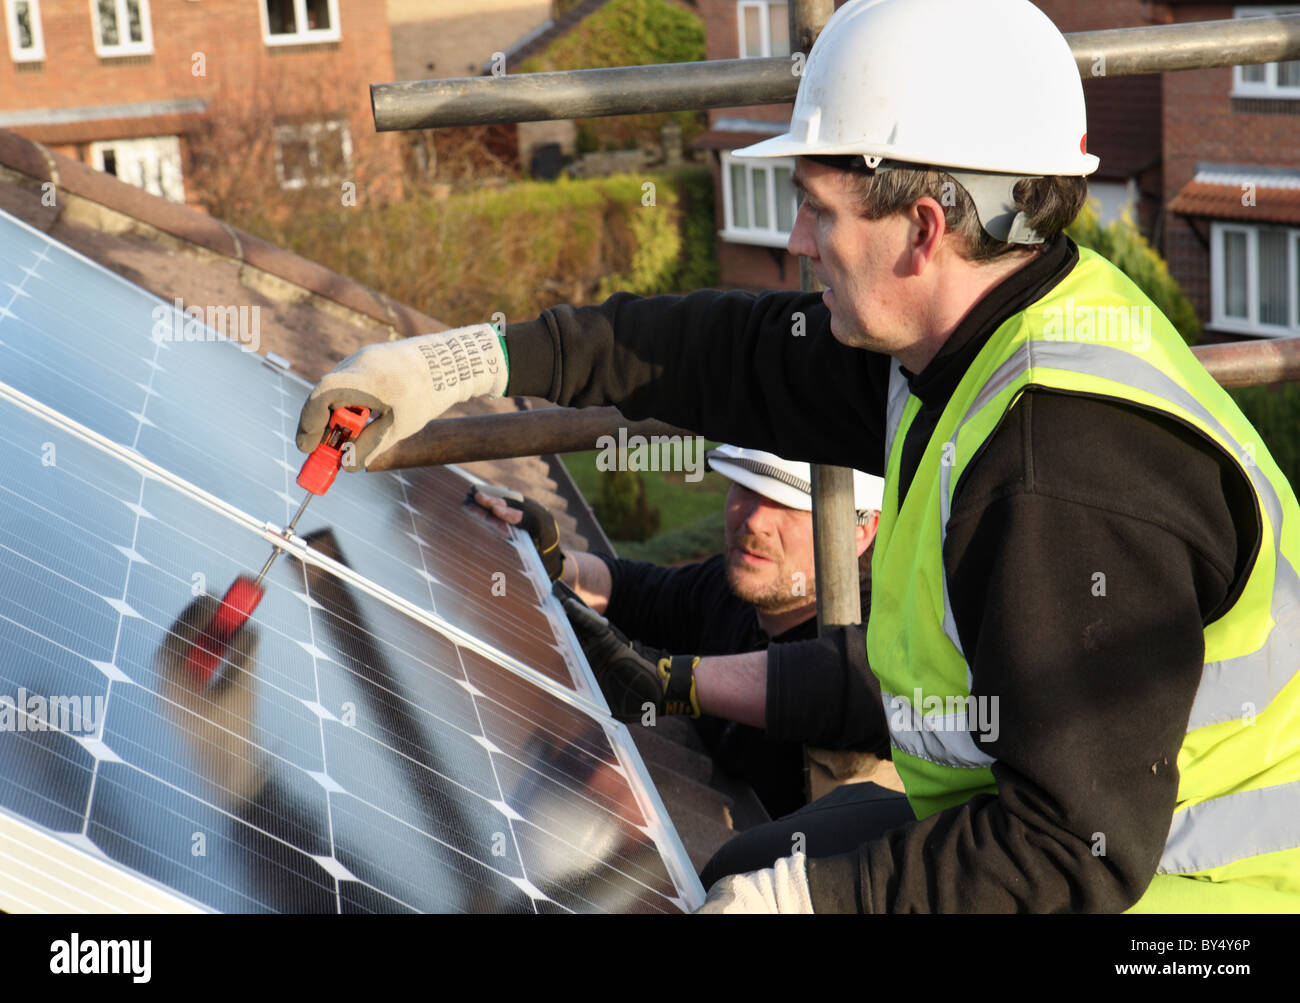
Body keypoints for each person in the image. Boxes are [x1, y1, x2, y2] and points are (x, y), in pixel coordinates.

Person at [298, 0, 1300, 912]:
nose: (795, 237)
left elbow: (1067, 856)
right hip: (1034, 812)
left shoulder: (1060, 473)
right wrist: (478, 357)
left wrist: (810, 906)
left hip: (1187, 897)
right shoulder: (974, 331)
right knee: (728, 873)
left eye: (819, 208)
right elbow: (721, 352)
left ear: (922, 228)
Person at [469, 446, 893, 822]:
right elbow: (637, 592)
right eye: (745, 488)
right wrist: (558, 564)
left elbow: (845, 680)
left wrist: (670, 682)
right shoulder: (734, 590)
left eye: (790, 504)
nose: (755, 520)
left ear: (861, 530)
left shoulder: (884, 632)